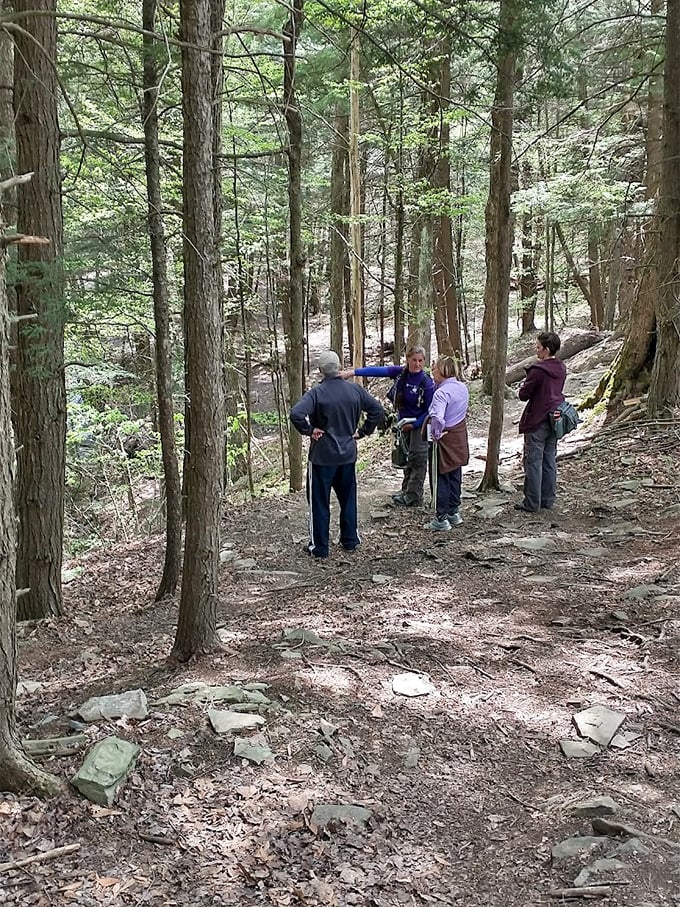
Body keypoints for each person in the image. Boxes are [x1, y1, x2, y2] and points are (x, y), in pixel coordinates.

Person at [290, 350, 384, 559]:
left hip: (322, 458)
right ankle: (350, 540)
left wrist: (309, 430)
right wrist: (363, 431)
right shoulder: (355, 390)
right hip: (347, 455)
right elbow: (377, 410)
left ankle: (320, 547)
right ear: (339, 367)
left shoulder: (316, 393)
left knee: (319, 502)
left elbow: (296, 414)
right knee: (348, 499)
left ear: (321, 371)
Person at [339, 345, 434, 506]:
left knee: (418, 458)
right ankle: (406, 490)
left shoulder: (427, 382)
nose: (417, 364)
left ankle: (414, 496)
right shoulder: (401, 373)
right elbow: (378, 371)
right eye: (414, 360)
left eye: (420, 361)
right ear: (408, 359)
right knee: (406, 457)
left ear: (424, 361)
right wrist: (352, 372)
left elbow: (430, 410)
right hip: (403, 422)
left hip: (420, 424)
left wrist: (415, 424)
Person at [515, 331, 567, 513]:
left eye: (538, 347)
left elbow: (523, 395)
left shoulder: (538, 370)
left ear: (546, 349)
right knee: (549, 459)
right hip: (554, 418)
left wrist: (527, 378)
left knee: (534, 462)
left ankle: (532, 503)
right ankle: (547, 499)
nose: (535, 350)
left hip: (537, 419)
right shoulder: (561, 367)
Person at [425, 356, 470, 531]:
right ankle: (453, 511)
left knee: (439, 476)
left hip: (443, 439)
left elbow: (438, 417)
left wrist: (435, 434)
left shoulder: (441, 393)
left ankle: (441, 517)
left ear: (443, 371)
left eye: (435, 368)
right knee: (455, 472)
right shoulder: (462, 387)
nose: (433, 372)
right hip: (458, 436)